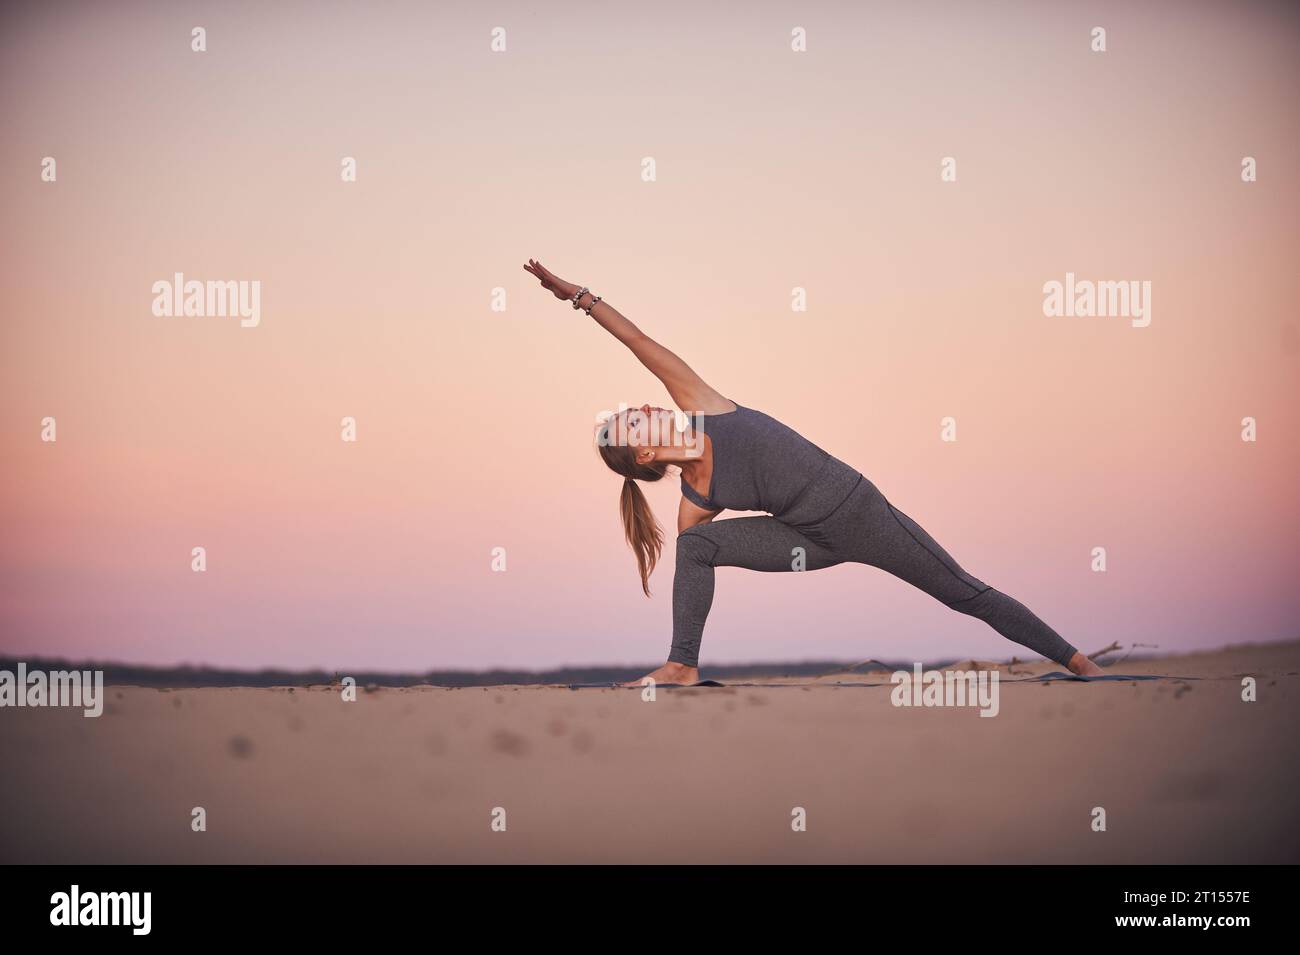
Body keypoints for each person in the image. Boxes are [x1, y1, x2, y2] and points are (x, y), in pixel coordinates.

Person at [523, 259, 1106, 685]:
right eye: (632, 424)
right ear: (643, 457)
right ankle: (682, 665)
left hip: (860, 511)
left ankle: (1077, 661)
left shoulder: (700, 401)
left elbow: (637, 340)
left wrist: (579, 296)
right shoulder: (696, 497)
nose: (645, 409)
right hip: (811, 540)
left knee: (962, 592)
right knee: (695, 548)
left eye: (635, 409)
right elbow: (691, 574)